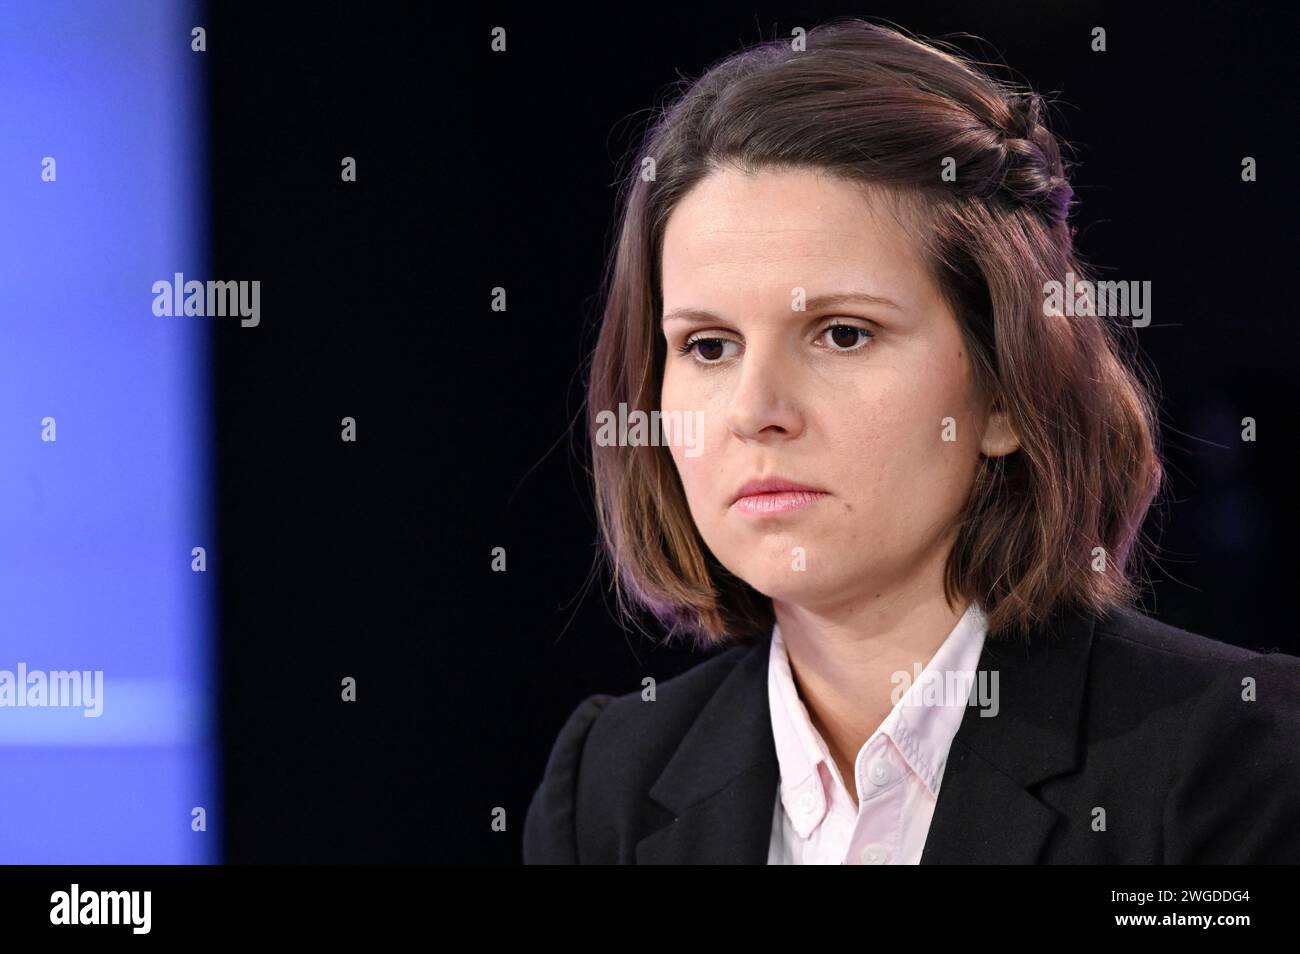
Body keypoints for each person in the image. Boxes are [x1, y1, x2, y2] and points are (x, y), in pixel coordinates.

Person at [523, 17, 1300, 864]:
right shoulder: (608, 787)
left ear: (1007, 391)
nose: (755, 410)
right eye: (708, 347)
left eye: (843, 334)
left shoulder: (1235, 758)